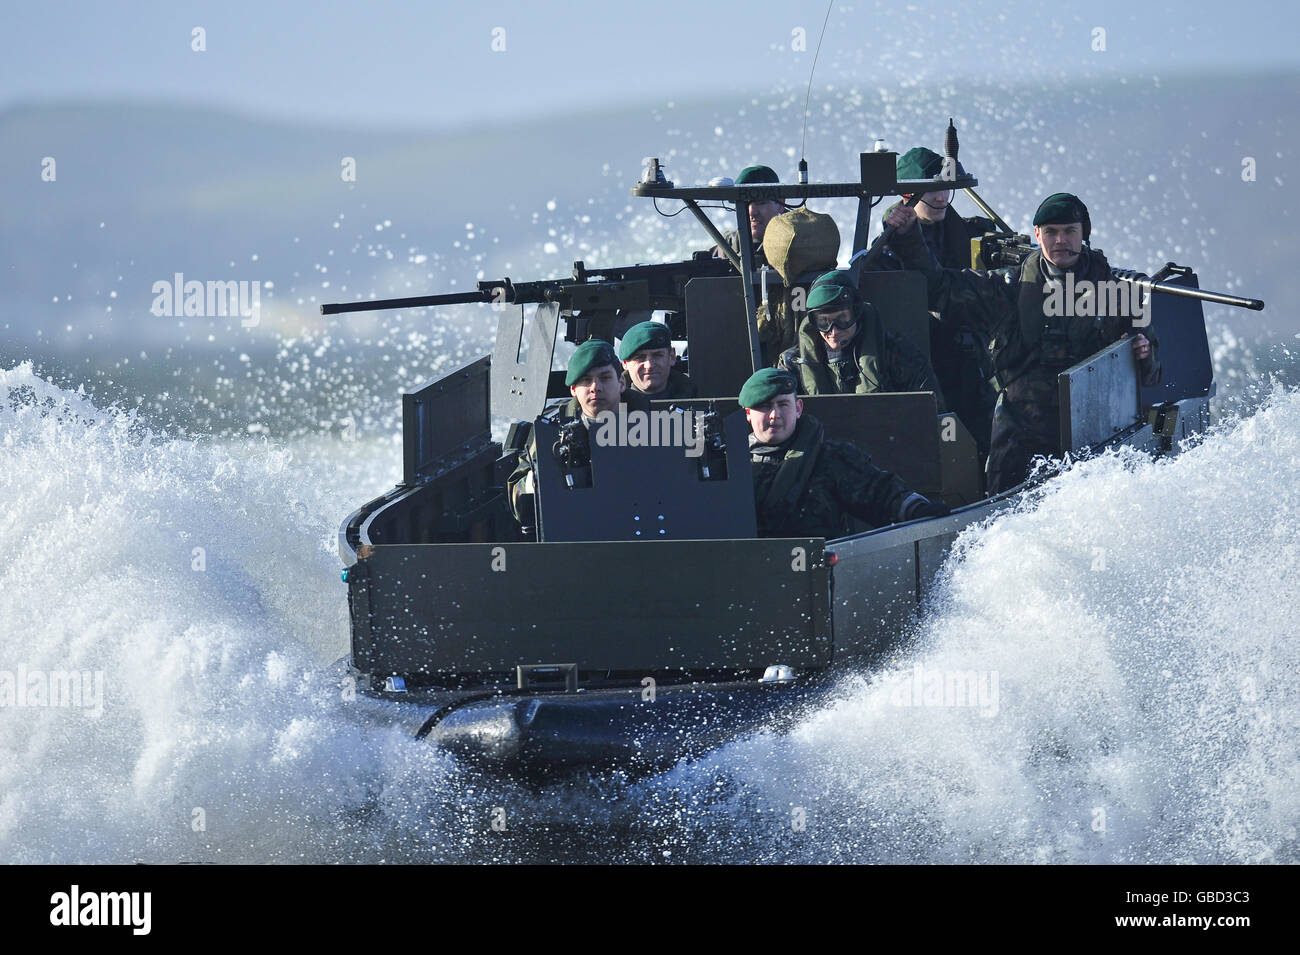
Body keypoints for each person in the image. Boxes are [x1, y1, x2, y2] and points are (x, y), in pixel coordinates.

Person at [884, 192, 1161, 494]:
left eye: (1070, 231)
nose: (1060, 241)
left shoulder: (1116, 295)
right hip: (1022, 431)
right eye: (1052, 232)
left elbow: (1154, 375)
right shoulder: (1009, 289)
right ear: (1037, 235)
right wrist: (907, 235)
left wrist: (1142, 354)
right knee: (1002, 515)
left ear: (1084, 234)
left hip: (1094, 431)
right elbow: (940, 288)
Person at [878, 147, 998, 460]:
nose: (942, 198)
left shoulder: (973, 234)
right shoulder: (887, 253)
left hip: (978, 359)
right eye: (931, 190)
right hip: (929, 369)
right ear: (907, 194)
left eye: (944, 188)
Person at [740, 368, 948, 539]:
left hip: (819, 576)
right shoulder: (731, 467)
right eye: (764, 407)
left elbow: (878, 491)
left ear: (798, 408)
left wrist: (915, 508)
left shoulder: (829, 459)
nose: (775, 415)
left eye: (782, 404)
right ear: (748, 414)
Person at [507, 339, 649, 526]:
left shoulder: (653, 423)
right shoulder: (552, 431)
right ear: (573, 389)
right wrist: (542, 472)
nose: (595, 387)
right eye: (585, 380)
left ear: (621, 382)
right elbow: (520, 508)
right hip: (575, 531)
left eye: (605, 378)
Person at [777, 270, 946, 405]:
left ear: (856, 313)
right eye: (824, 322)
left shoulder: (896, 354)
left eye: (842, 319)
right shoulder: (792, 363)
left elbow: (931, 411)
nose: (834, 331)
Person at [712, 164, 785, 269]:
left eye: (760, 202)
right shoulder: (729, 245)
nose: (752, 211)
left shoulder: (800, 241)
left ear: (780, 204)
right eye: (743, 204)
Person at [617, 320, 698, 399]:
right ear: (625, 363)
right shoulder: (610, 406)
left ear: (672, 357)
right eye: (640, 357)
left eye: (657, 355)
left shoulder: (696, 398)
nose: (649, 365)